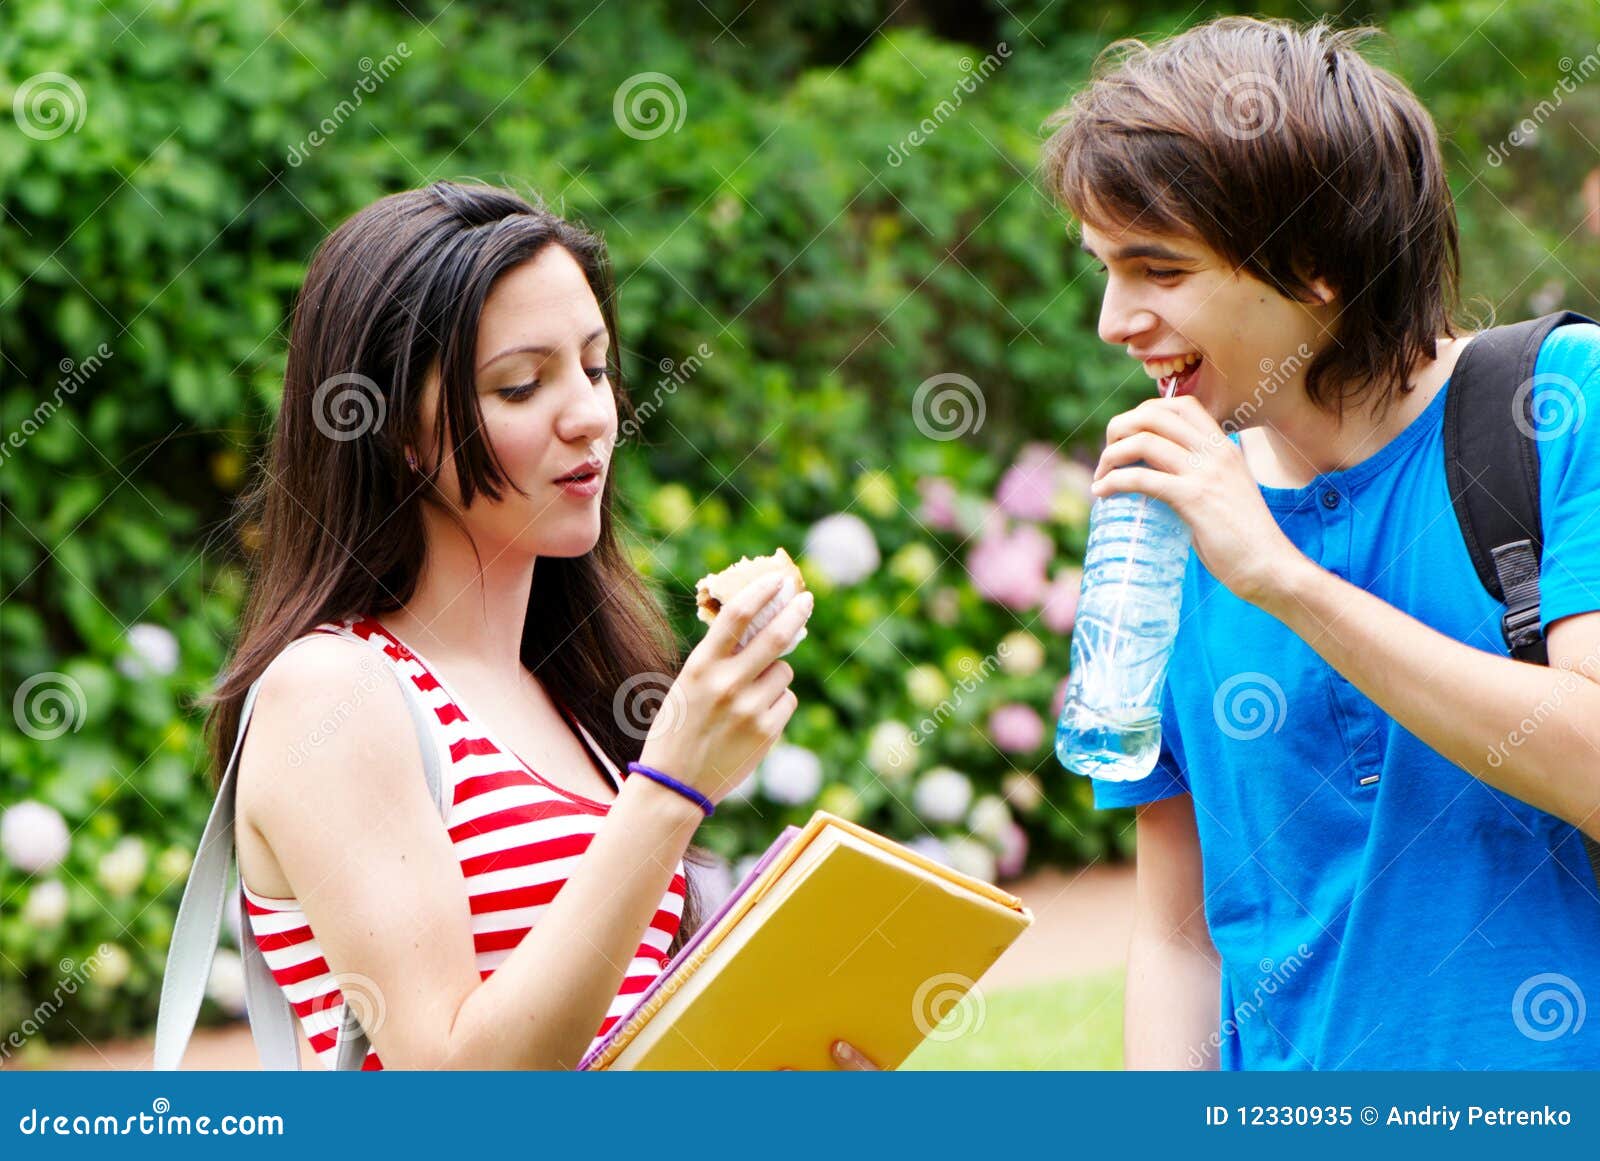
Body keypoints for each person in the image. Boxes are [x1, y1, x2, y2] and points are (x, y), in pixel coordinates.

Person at [206, 180, 877, 1071]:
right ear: (394, 430)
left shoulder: (571, 691)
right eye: (521, 385)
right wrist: (672, 782)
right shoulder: (334, 691)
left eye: (595, 368)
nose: (590, 414)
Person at [1042, 16, 1600, 1068]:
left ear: (1313, 266)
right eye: (1103, 270)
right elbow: (1176, 937)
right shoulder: (1166, 518)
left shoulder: (1561, 407)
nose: (1114, 320)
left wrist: (1284, 581)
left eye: (1157, 270)